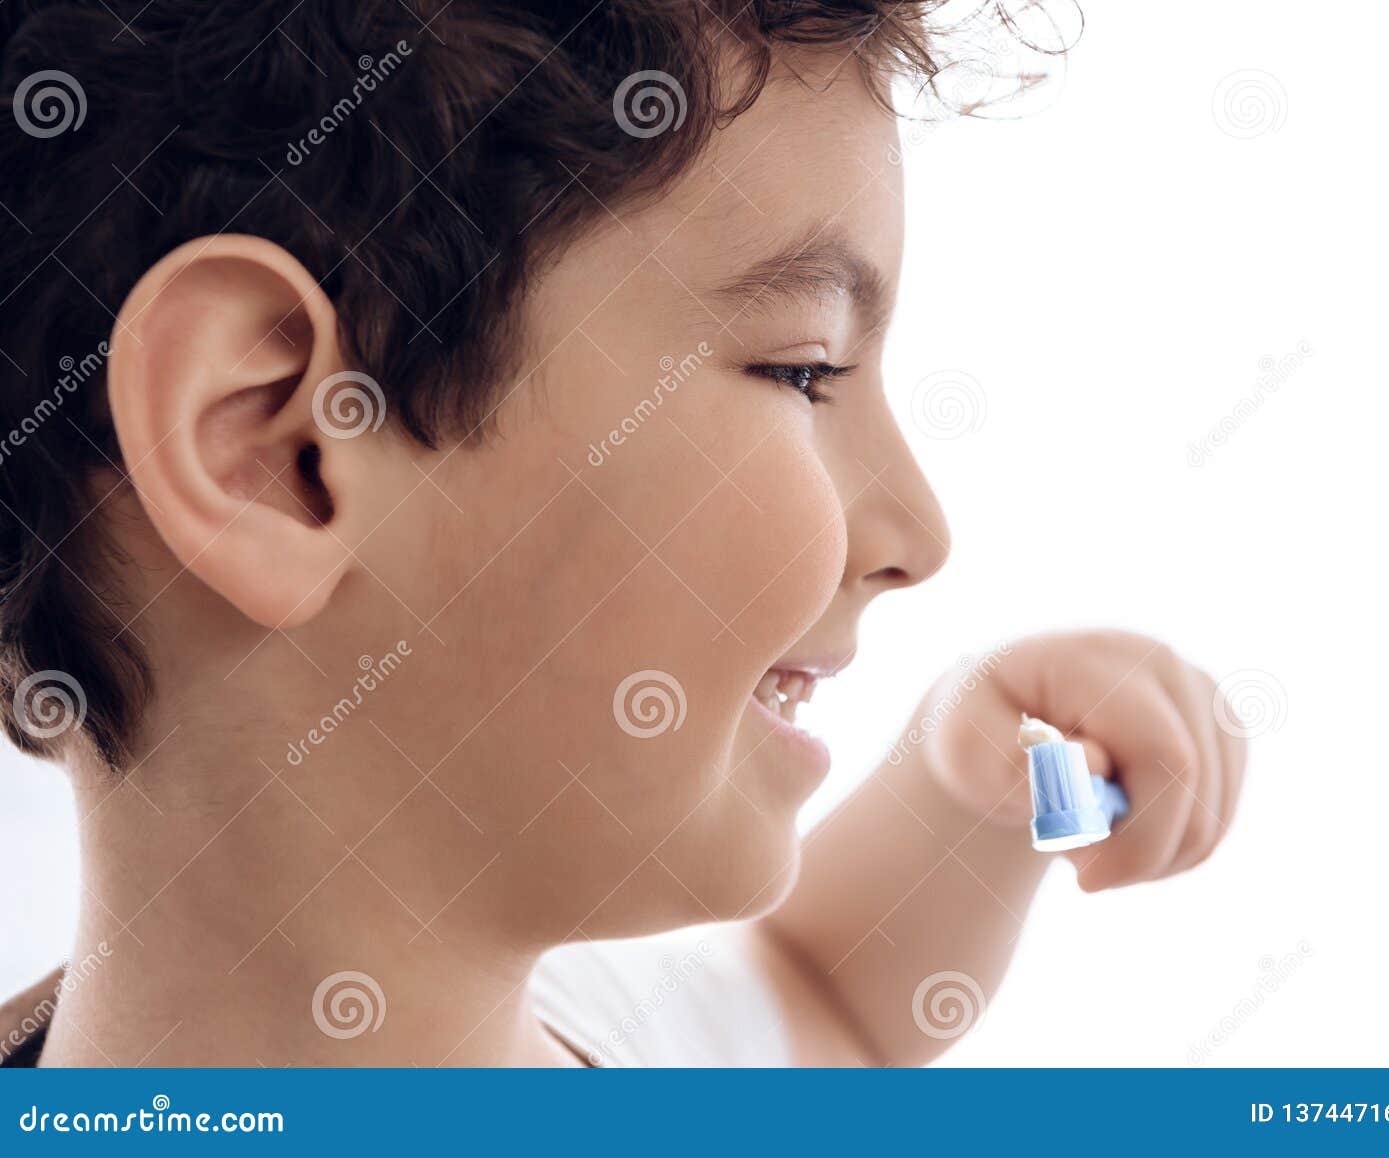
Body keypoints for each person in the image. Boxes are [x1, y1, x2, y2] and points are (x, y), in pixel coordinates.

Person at [0, 0, 1245, 1067]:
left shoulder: (608, 1030)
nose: (919, 533)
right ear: (283, 452)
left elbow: (819, 999)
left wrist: (959, 794)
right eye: (800, 370)